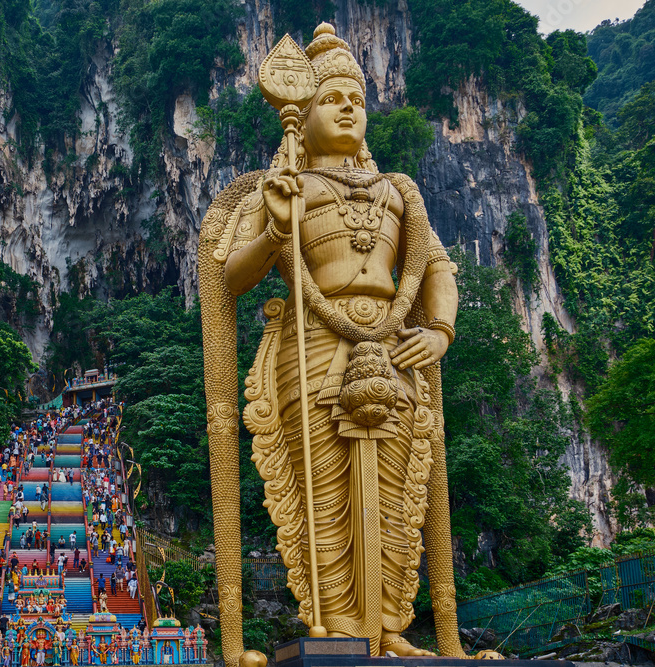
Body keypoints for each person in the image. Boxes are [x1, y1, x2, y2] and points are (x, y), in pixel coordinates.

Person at [200, 22, 458, 657]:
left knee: (401, 489)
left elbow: (437, 268)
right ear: (303, 112)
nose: (348, 107)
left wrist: (442, 331)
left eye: (357, 99)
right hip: (313, 345)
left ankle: (390, 625)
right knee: (326, 493)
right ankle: (342, 625)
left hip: (395, 347)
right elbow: (229, 275)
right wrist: (273, 231)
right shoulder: (287, 185)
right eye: (332, 97)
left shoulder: (399, 190)